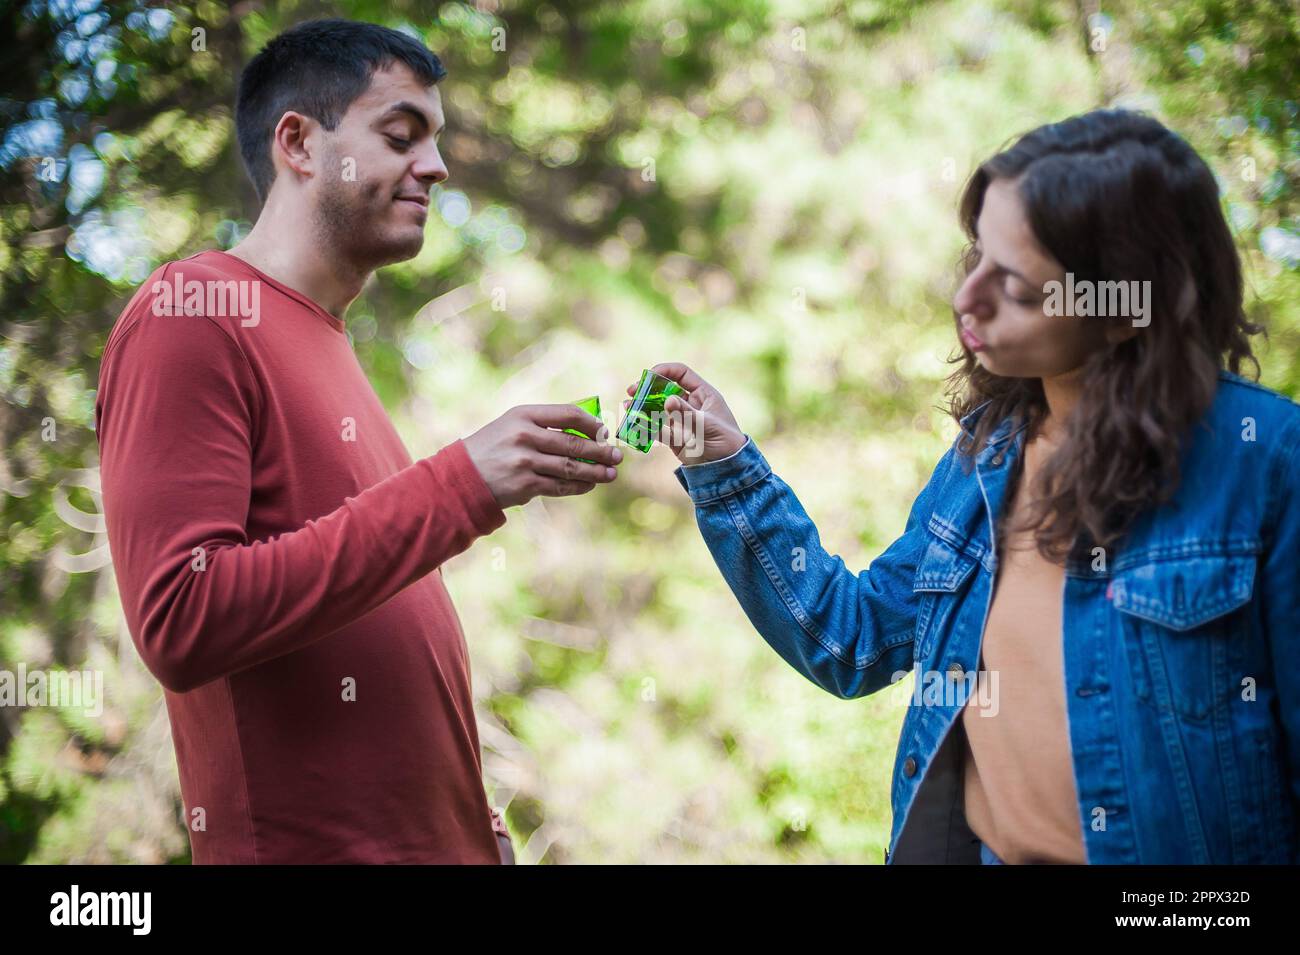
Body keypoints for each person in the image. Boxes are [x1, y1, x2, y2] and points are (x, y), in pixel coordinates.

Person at [634, 109, 1300, 864]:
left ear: (1122, 309)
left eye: (1012, 283)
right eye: (976, 255)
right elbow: (852, 642)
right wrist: (725, 467)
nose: (967, 298)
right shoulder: (986, 455)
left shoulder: (1271, 465)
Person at [95, 18, 621, 864]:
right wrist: (460, 484)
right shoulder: (191, 311)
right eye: (400, 134)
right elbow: (179, 618)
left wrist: (473, 827)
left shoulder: (332, 348)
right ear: (299, 144)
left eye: (435, 141)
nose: (437, 166)